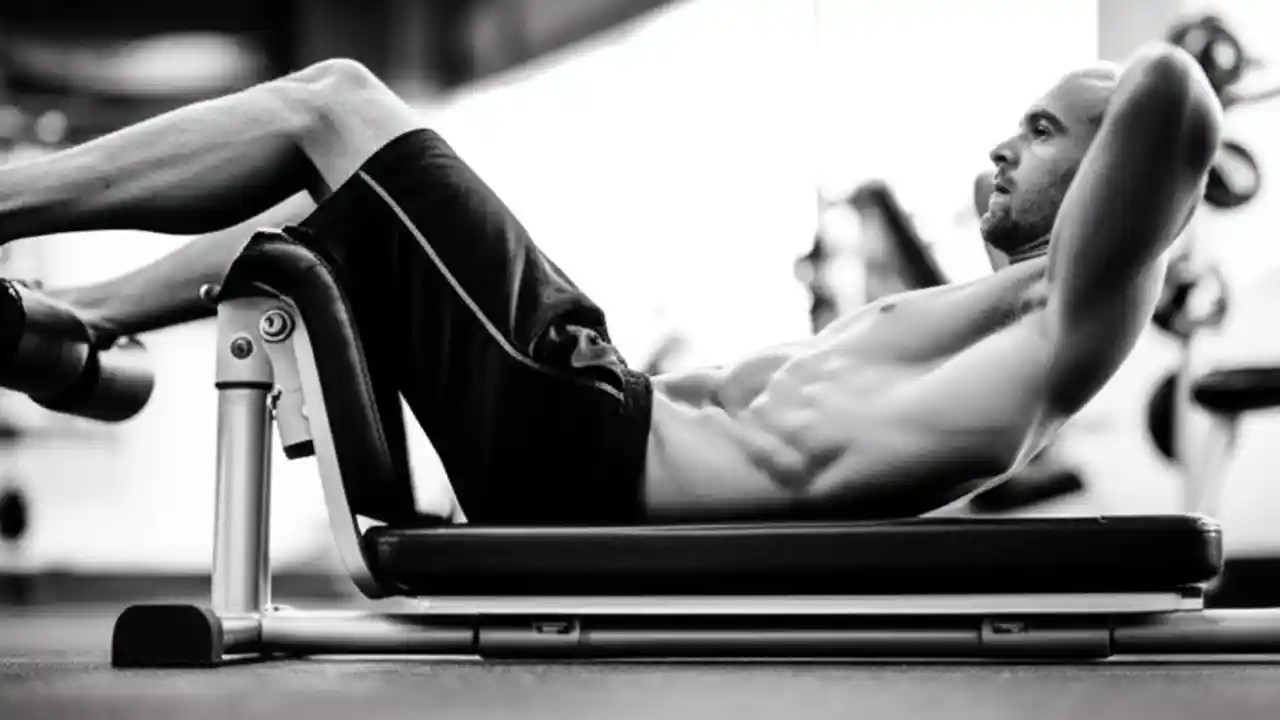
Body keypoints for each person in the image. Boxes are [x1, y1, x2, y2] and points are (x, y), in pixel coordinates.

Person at [0, 43, 1221, 526]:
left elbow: (1170, 89)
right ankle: (79, 336)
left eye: (1046, 131)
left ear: (1123, 194)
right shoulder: (967, 321)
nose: (1004, 145)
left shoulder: (1062, 316)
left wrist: (1125, 118)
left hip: (587, 444)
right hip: (595, 433)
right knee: (337, 210)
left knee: (335, 102)